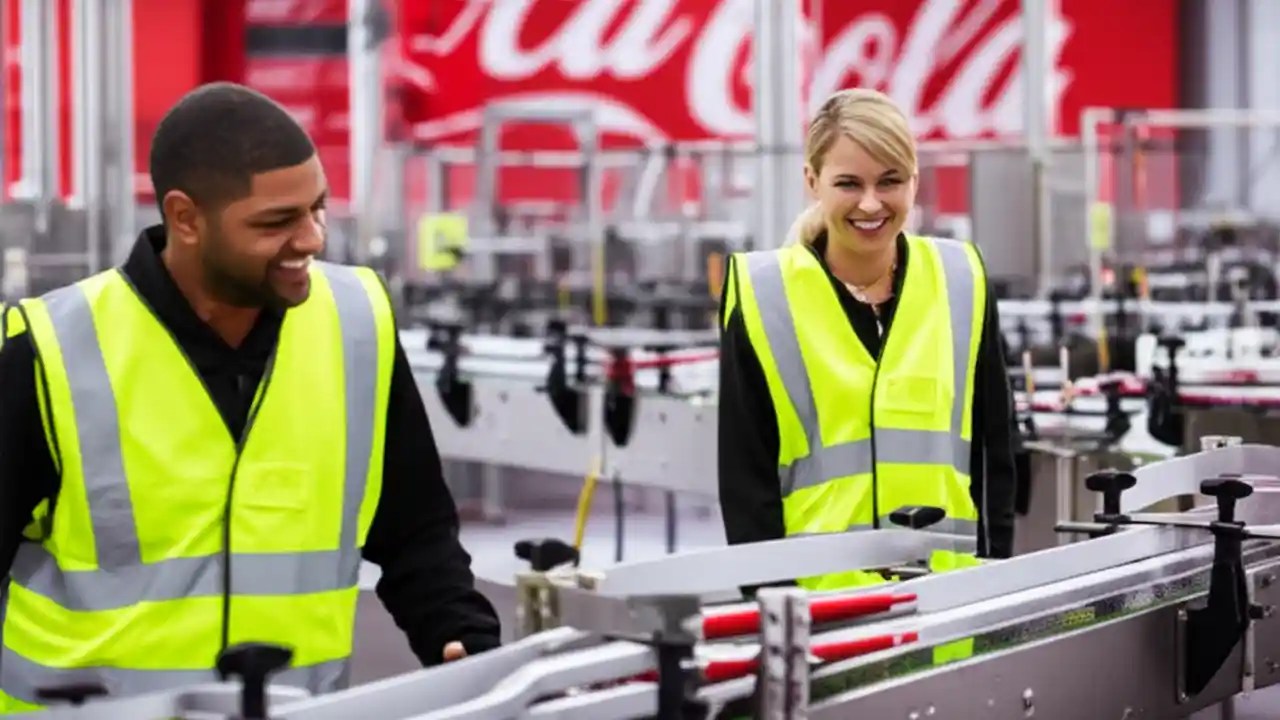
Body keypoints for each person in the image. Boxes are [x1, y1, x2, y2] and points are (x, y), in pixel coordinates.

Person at [0, 82, 500, 712]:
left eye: (317, 208)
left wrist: (463, 640)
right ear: (185, 218)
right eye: (276, 222)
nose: (312, 238)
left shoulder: (356, 325)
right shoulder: (50, 351)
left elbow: (415, 530)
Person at [716, 88, 1019, 593]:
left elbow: (995, 456)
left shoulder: (961, 279)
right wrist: (772, 615)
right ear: (812, 181)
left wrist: (993, 587)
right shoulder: (763, 293)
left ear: (914, 181)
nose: (871, 203)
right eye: (848, 183)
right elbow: (747, 486)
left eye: (890, 181)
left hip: (949, 599)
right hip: (821, 611)